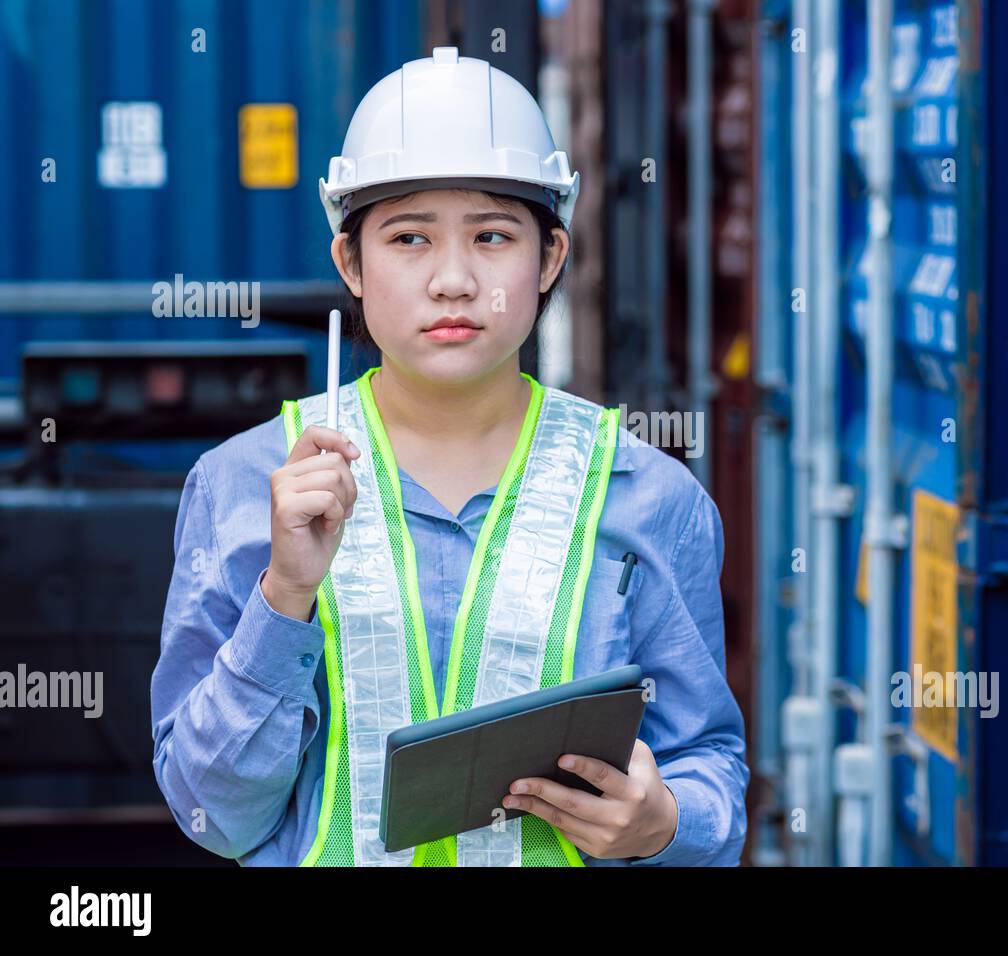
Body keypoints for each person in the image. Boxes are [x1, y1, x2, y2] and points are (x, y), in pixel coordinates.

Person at [150, 47, 748, 866]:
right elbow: (214, 816)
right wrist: (284, 595)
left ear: (550, 259)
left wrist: (666, 823)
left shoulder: (649, 496)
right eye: (408, 238)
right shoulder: (249, 484)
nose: (454, 280)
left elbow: (709, 769)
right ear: (350, 264)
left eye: (494, 235)